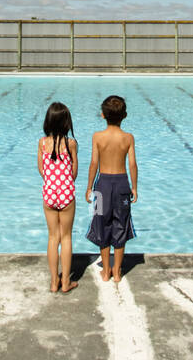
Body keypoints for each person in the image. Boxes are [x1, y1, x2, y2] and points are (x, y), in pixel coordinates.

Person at [85, 94, 138, 283]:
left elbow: (93, 164)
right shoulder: (128, 138)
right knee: (121, 225)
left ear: (102, 115)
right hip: (123, 184)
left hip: (102, 186)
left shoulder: (97, 137)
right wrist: (134, 188)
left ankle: (106, 270)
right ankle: (117, 271)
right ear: (125, 116)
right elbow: (132, 164)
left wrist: (89, 187)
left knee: (101, 224)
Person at [38, 101, 79, 293]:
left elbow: (42, 170)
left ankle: (54, 282)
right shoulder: (71, 143)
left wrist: (52, 180)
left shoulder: (42, 143)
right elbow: (74, 172)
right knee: (66, 237)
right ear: (66, 123)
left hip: (49, 192)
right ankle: (66, 282)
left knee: (53, 237)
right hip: (66, 193)